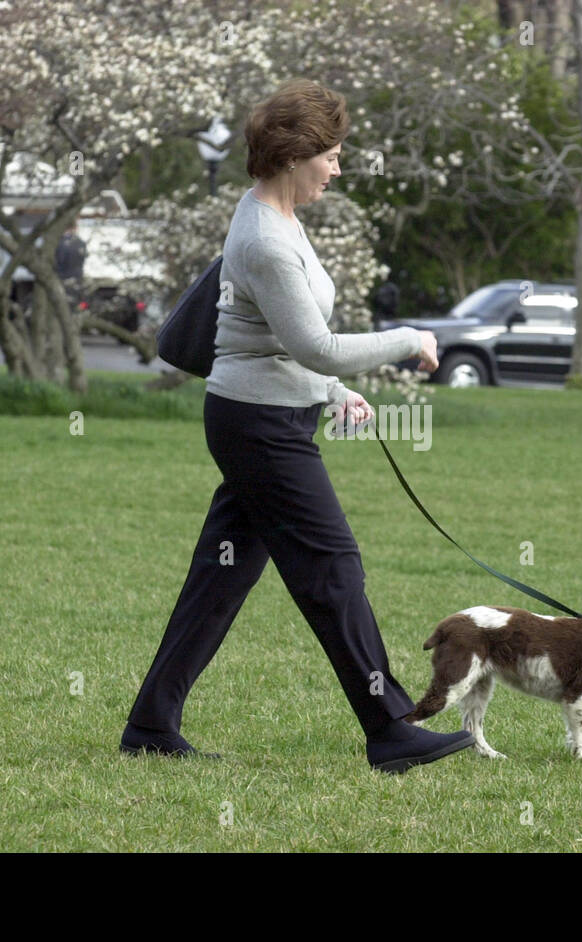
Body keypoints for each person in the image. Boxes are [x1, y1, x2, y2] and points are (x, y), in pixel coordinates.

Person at [121, 78, 473, 773]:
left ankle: (151, 724)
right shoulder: (264, 239)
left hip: (267, 414)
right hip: (259, 427)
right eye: (331, 155)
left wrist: (333, 390)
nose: (337, 168)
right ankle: (391, 728)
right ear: (293, 154)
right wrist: (408, 339)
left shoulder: (279, 217)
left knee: (219, 579)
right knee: (332, 568)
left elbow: (283, 338)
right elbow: (314, 345)